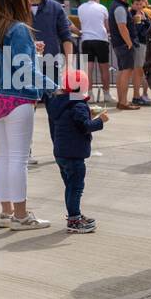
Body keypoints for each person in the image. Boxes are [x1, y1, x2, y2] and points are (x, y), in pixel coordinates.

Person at [0, 0, 56, 230]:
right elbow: (26, 70)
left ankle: (6, 212)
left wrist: (33, 50)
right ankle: (21, 215)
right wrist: (56, 87)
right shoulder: (19, 28)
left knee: (5, 156)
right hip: (17, 98)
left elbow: (8, 61)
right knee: (19, 158)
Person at [45, 73, 109, 233]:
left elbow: (72, 120)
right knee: (76, 187)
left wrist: (88, 114)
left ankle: (75, 215)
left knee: (70, 186)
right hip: (74, 154)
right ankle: (74, 220)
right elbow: (85, 126)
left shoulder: (59, 103)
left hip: (61, 153)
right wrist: (101, 120)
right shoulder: (78, 105)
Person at [24, 0, 72, 91]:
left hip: (50, 62)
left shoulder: (55, 7)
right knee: (27, 103)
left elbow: (66, 36)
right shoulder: (17, 8)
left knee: (54, 101)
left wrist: (69, 64)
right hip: (25, 63)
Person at [108, 0, 138, 109]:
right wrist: (129, 42)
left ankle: (121, 101)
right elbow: (122, 27)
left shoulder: (115, 6)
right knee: (127, 72)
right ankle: (124, 102)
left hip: (118, 44)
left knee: (122, 72)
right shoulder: (120, 8)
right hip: (124, 44)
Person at [77, 0, 110, 103]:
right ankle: (106, 94)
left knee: (88, 70)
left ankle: (89, 95)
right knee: (104, 69)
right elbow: (107, 26)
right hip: (101, 40)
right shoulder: (102, 8)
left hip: (86, 39)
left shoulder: (80, 8)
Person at [129, 0, 151, 104]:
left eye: (140, 4)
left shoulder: (145, 13)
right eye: (136, 4)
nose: (139, 6)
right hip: (138, 45)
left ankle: (144, 94)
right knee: (138, 71)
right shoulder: (130, 14)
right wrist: (137, 21)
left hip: (146, 44)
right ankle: (137, 95)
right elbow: (135, 32)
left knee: (144, 71)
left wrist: (145, 20)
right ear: (132, 4)